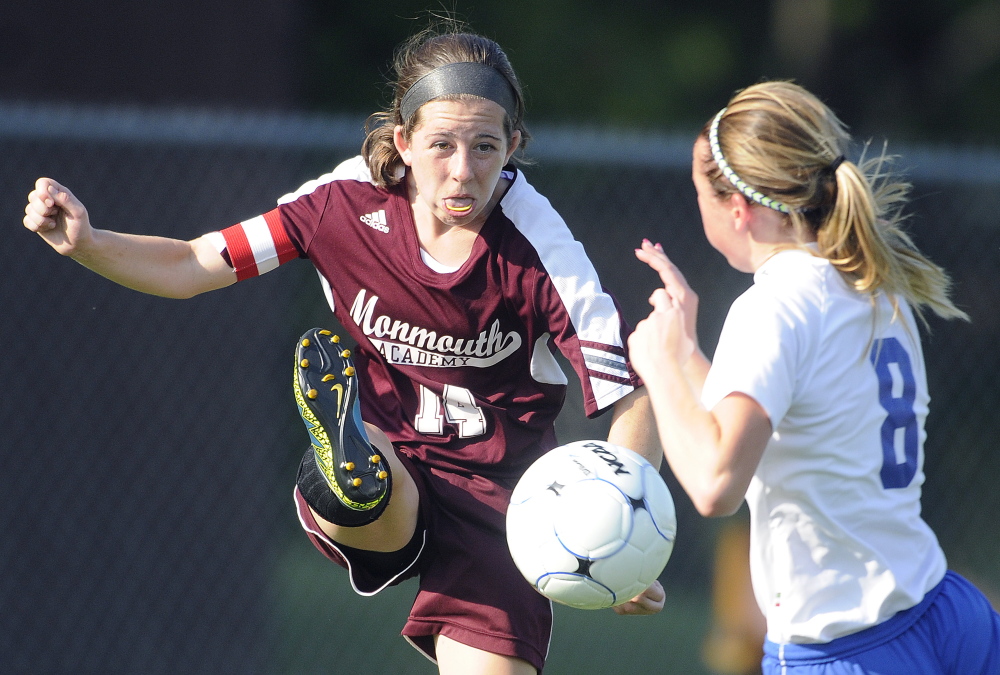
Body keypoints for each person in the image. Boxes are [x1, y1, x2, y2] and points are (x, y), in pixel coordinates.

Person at [23, 24, 664, 675]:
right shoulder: (342, 203)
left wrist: (624, 530)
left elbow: (630, 395)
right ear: (404, 140)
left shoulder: (540, 246)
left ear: (515, 147)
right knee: (373, 482)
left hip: (502, 509)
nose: (464, 169)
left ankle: (358, 482)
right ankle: (349, 470)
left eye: (485, 146)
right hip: (395, 461)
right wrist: (89, 241)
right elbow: (193, 262)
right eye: (441, 144)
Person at [627, 80, 1000, 674]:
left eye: (699, 190)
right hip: (946, 616)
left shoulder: (775, 306)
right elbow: (775, 428)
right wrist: (688, 354)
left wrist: (658, 365)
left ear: (737, 209)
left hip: (849, 649)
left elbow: (715, 483)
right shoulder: (872, 280)